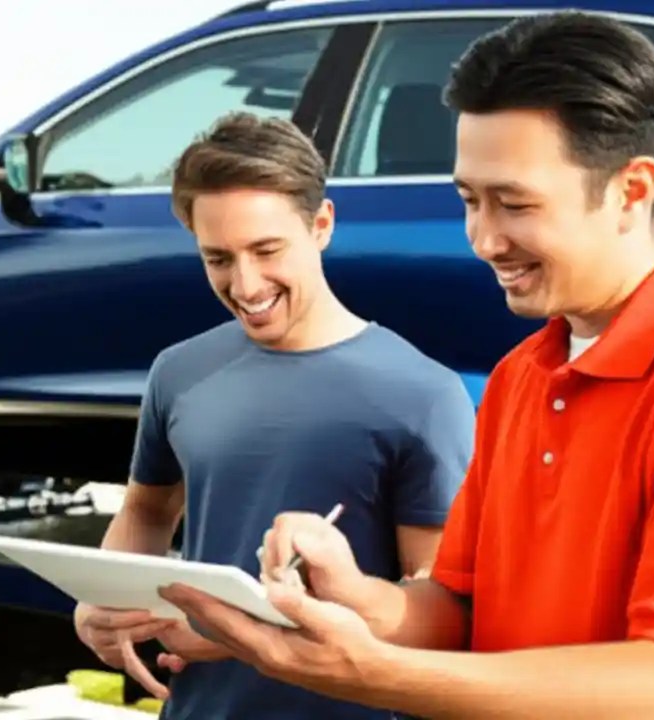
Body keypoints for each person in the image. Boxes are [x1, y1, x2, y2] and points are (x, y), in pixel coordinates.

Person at [159, 11, 654, 720]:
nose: (484, 239)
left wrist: (372, 673)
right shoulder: (523, 374)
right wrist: (353, 596)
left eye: (513, 204)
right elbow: (461, 612)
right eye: (468, 200)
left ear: (631, 190)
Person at [71, 111, 476, 719]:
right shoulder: (178, 373)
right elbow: (146, 512)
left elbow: (436, 615)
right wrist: (99, 606)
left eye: (266, 250)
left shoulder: (423, 394)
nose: (246, 283)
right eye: (218, 259)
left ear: (321, 225)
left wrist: (238, 631)